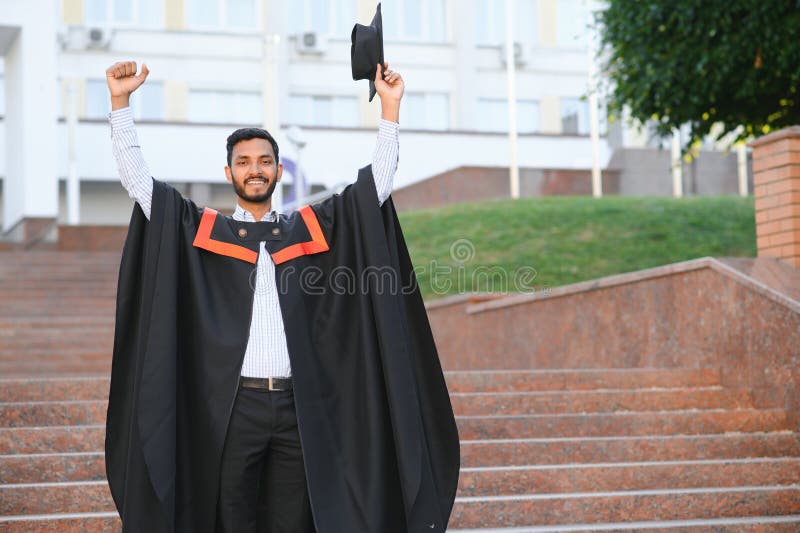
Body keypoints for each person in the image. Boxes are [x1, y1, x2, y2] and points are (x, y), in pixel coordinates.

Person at [104, 59, 459, 533]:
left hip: (296, 407)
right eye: (245, 162)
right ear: (228, 172)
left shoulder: (309, 230)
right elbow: (139, 185)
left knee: (293, 522)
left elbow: (373, 190)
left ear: (278, 170)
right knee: (231, 519)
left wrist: (390, 110)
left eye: (265, 161)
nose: (256, 170)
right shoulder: (205, 232)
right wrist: (120, 103)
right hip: (234, 410)